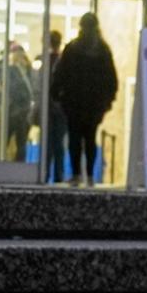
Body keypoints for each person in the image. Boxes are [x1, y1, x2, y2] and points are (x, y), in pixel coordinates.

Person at [52, 12, 117, 186]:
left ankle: (76, 174)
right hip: (94, 105)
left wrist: (56, 95)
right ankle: (88, 174)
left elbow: (60, 74)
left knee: (74, 139)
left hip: (73, 102)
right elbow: (111, 79)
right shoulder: (103, 50)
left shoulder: (72, 48)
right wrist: (107, 101)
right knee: (90, 139)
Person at [42, 30, 67, 182]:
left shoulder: (45, 61)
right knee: (58, 145)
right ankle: (59, 175)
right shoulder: (64, 61)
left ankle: (44, 175)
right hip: (61, 108)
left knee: (48, 144)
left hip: (49, 108)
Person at [6, 43, 33, 162]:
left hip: (22, 111)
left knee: (21, 141)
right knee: (11, 139)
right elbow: (12, 89)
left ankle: (19, 162)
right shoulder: (12, 70)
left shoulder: (27, 70)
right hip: (16, 111)